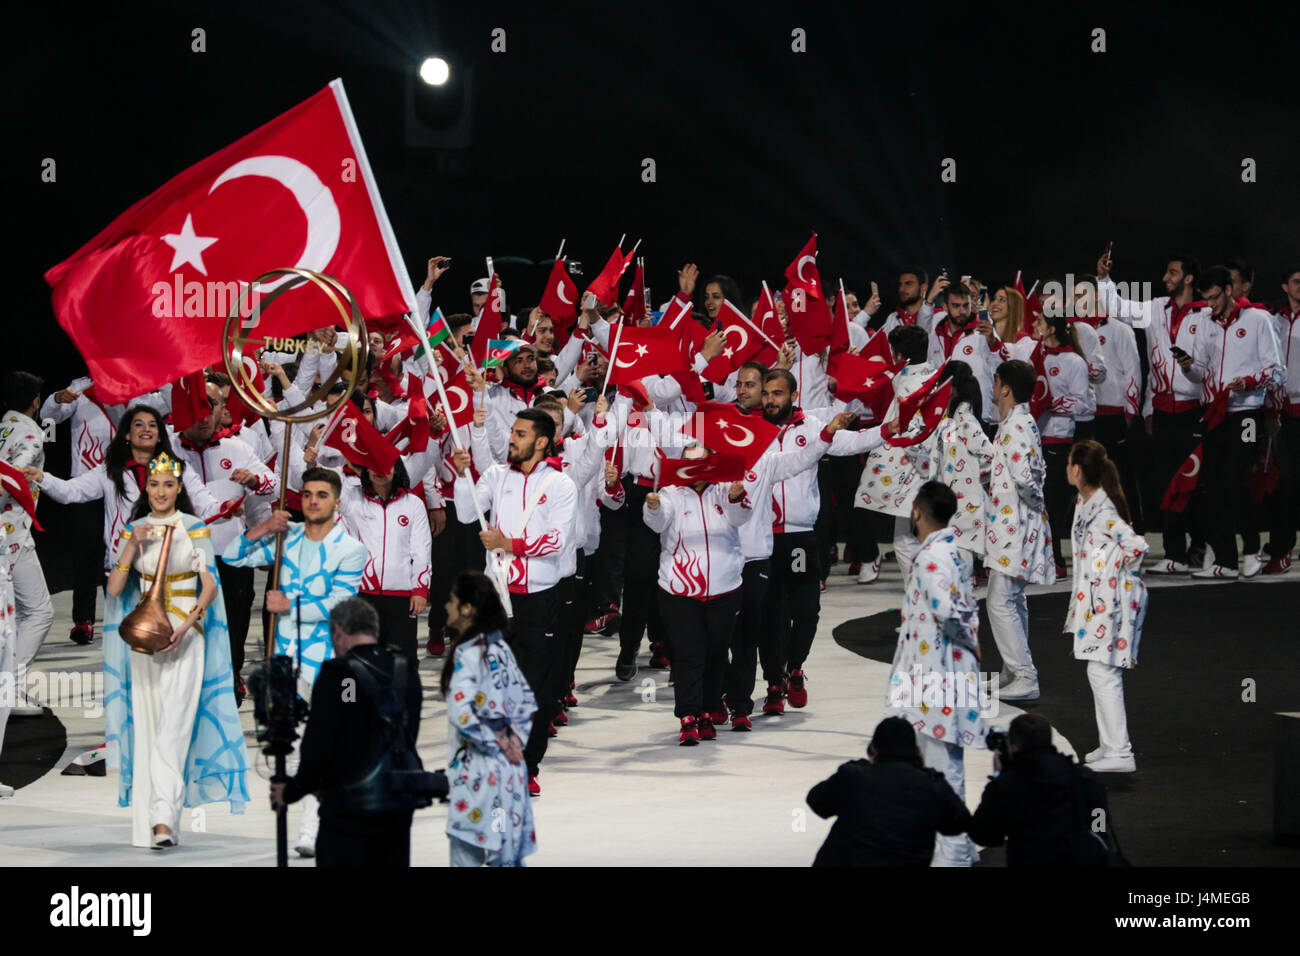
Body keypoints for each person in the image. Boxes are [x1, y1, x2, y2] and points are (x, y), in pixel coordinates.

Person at [103, 452, 249, 848]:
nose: (161, 491)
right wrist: (131, 546)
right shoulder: (134, 529)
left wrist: (186, 625)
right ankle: (151, 823)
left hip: (187, 635)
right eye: (154, 484)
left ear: (179, 488)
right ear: (146, 488)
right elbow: (114, 590)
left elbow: (210, 584)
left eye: (168, 484)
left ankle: (163, 818)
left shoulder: (194, 528)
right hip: (144, 639)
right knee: (149, 726)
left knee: (175, 726)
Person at [222, 466, 367, 856]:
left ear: (337, 502)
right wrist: (263, 527)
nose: (313, 501)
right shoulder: (287, 538)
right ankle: (317, 823)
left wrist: (290, 605)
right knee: (297, 744)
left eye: (322, 495)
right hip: (286, 658)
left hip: (330, 660)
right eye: (307, 494)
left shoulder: (351, 549)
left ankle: (318, 826)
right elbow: (232, 556)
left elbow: (341, 603)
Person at [452, 408, 578, 796]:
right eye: (513, 432)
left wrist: (508, 544)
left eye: (521, 434)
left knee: (536, 689)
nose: (512, 438)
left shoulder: (561, 484)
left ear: (542, 441)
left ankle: (526, 766)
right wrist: (461, 476)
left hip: (539, 600)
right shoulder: (495, 476)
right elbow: (464, 512)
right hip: (496, 600)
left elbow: (557, 541)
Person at [271, 598, 424, 867]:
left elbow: (320, 742)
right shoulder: (405, 670)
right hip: (397, 800)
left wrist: (293, 790)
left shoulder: (340, 675)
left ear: (339, 631)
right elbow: (408, 733)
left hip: (349, 807)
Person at [886, 480, 986, 865]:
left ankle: (955, 853)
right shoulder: (953, 551)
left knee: (942, 767)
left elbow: (947, 611)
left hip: (936, 672)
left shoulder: (931, 558)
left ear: (916, 512)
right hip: (943, 668)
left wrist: (968, 639)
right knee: (943, 764)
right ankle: (959, 847)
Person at [1097, 252, 1214, 574]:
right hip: (1162, 411)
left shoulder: (1206, 314)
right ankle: (1174, 554)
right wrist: (1104, 279)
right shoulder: (1155, 308)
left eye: (1172, 272)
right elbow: (1118, 306)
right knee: (1165, 485)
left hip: (1195, 409)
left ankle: (1200, 546)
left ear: (1189, 278)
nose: (1165, 278)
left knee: (1196, 485)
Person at [644, 443, 753, 743]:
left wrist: (736, 497)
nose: (695, 468)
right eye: (688, 462)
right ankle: (688, 716)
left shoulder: (726, 489)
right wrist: (653, 507)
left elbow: (741, 517)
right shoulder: (670, 493)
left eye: (701, 462)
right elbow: (657, 522)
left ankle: (708, 710)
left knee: (716, 654)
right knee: (688, 653)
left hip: (724, 587)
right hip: (679, 589)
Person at [1191, 265, 1283, 579]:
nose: (1210, 305)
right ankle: (1226, 561)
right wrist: (1188, 366)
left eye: (1215, 297)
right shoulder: (1205, 323)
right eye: (1206, 299)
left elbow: (1276, 370)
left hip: (1247, 412)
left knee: (1236, 479)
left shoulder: (1258, 320)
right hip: (1215, 413)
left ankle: (1252, 546)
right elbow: (1199, 371)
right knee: (1212, 484)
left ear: (1229, 290)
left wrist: (1248, 382)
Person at [441, 571, 537, 866]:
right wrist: (514, 741)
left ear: (467, 608)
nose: (446, 605)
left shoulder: (470, 656)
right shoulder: (502, 650)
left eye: (452, 600)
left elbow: (462, 713)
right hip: (510, 773)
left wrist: (494, 743)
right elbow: (527, 702)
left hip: (478, 772)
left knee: (467, 855)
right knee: (506, 857)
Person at [1065, 441, 1148, 773]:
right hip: (1097, 600)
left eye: (1069, 463)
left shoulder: (1102, 512)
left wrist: (1115, 577)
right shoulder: (1086, 503)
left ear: (1077, 470)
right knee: (1099, 670)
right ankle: (1111, 744)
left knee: (1103, 671)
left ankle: (1120, 751)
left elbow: (1135, 546)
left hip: (1109, 602)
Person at [806, 717, 972, 867]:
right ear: (917, 751)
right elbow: (958, 824)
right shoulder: (931, 785)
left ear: (873, 749)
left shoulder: (854, 776)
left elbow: (817, 802)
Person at [985, 361, 1056, 702]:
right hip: (1016, 522)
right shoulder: (1021, 422)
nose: (992, 387)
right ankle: (1013, 672)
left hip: (1014, 524)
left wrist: (1036, 505)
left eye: (995, 381)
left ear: (1005, 388)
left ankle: (1025, 675)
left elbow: (1026, 479)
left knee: (1000, 601)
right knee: (1012, 599)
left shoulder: (1014, 426)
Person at [967, 713, 1115, 867]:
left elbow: (984, 835)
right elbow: (1100, 819)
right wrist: (1096, 839)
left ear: (1013, 746)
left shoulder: (1007, 785)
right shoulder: (1085, 778)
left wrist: (999, 776)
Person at [335, 458, 431, 662]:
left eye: (386, 465)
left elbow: (421, 549)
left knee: (403, 660)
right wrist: (312, 462)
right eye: (374, 464)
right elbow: (325, 486)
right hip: (361, 595)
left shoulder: (413, 504)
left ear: (397, 470)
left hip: (401, 596)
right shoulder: (352, 499)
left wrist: (420, 589)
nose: (379, 470)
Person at [0, 371, 55, 715]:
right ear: (36, 402)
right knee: (39, 612)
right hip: (11, 534)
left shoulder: (3, 425)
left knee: (15, 615)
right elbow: (11, 479)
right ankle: (8, 692)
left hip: (10, 533)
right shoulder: (31, 433)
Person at [1262, 262, 1300, 573]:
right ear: (1285, 287)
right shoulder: (1273, 320)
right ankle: (1281, 548)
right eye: (1296, 281)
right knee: (1284, 483)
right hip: (1282, 412)